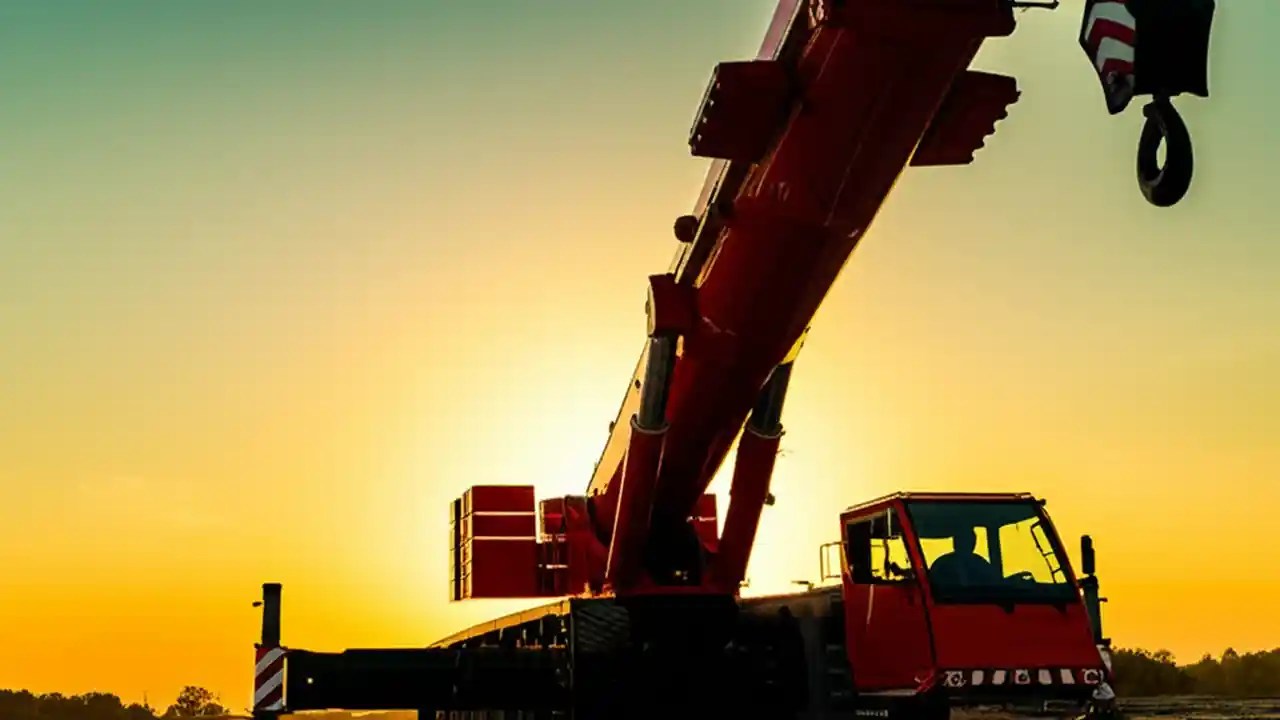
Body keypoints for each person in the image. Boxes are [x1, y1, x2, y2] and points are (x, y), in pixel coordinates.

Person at [929, 527, 1001, 586]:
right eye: (962, 540)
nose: (965, 543)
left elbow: (994, 582)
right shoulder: (941, 564)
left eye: (968, 540)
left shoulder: (980, 564)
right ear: (955, 542)